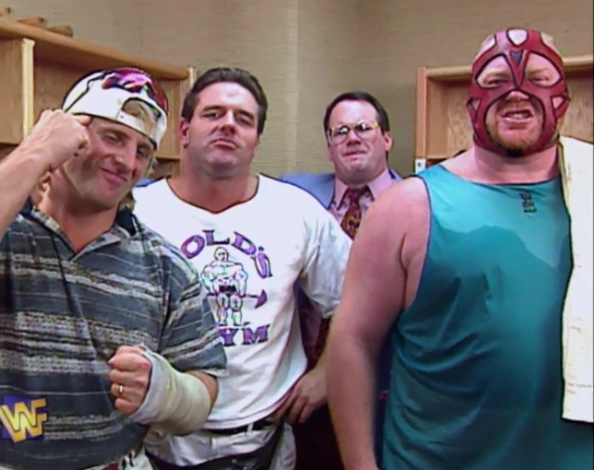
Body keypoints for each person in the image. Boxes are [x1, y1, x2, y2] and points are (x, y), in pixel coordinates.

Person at [327, 27, 594, 470]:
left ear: (564, 97)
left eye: (537, 78)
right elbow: (353, 340)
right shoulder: (405, 208)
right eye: (496, 81)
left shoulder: (589, 191)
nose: (516, 92)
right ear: (471, 101)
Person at [0, 67, 226, 470]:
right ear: (68, 132)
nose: (127, 161)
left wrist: (166, 391)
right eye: (113, 137)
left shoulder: (166, 268)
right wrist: (35, 152)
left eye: (142, 151)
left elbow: (204, 385)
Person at [133, 67, 352, 470]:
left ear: (256, 141)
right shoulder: (136, 212)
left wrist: (327, 372)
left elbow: (355, 300)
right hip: (158, 441)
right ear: (184, 131)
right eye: (213, 114)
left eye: (244, 119)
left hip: (264, 442)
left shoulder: (296, 211)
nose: (228, 125)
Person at [280, 91, 401, 469]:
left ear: (387, 139)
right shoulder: (293, 197)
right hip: (295, 395)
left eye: (364, 128)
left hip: (385, 391)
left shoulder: (419, 203)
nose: (352, 138)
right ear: (329, 147)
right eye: (341, 131)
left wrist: (333, 374)